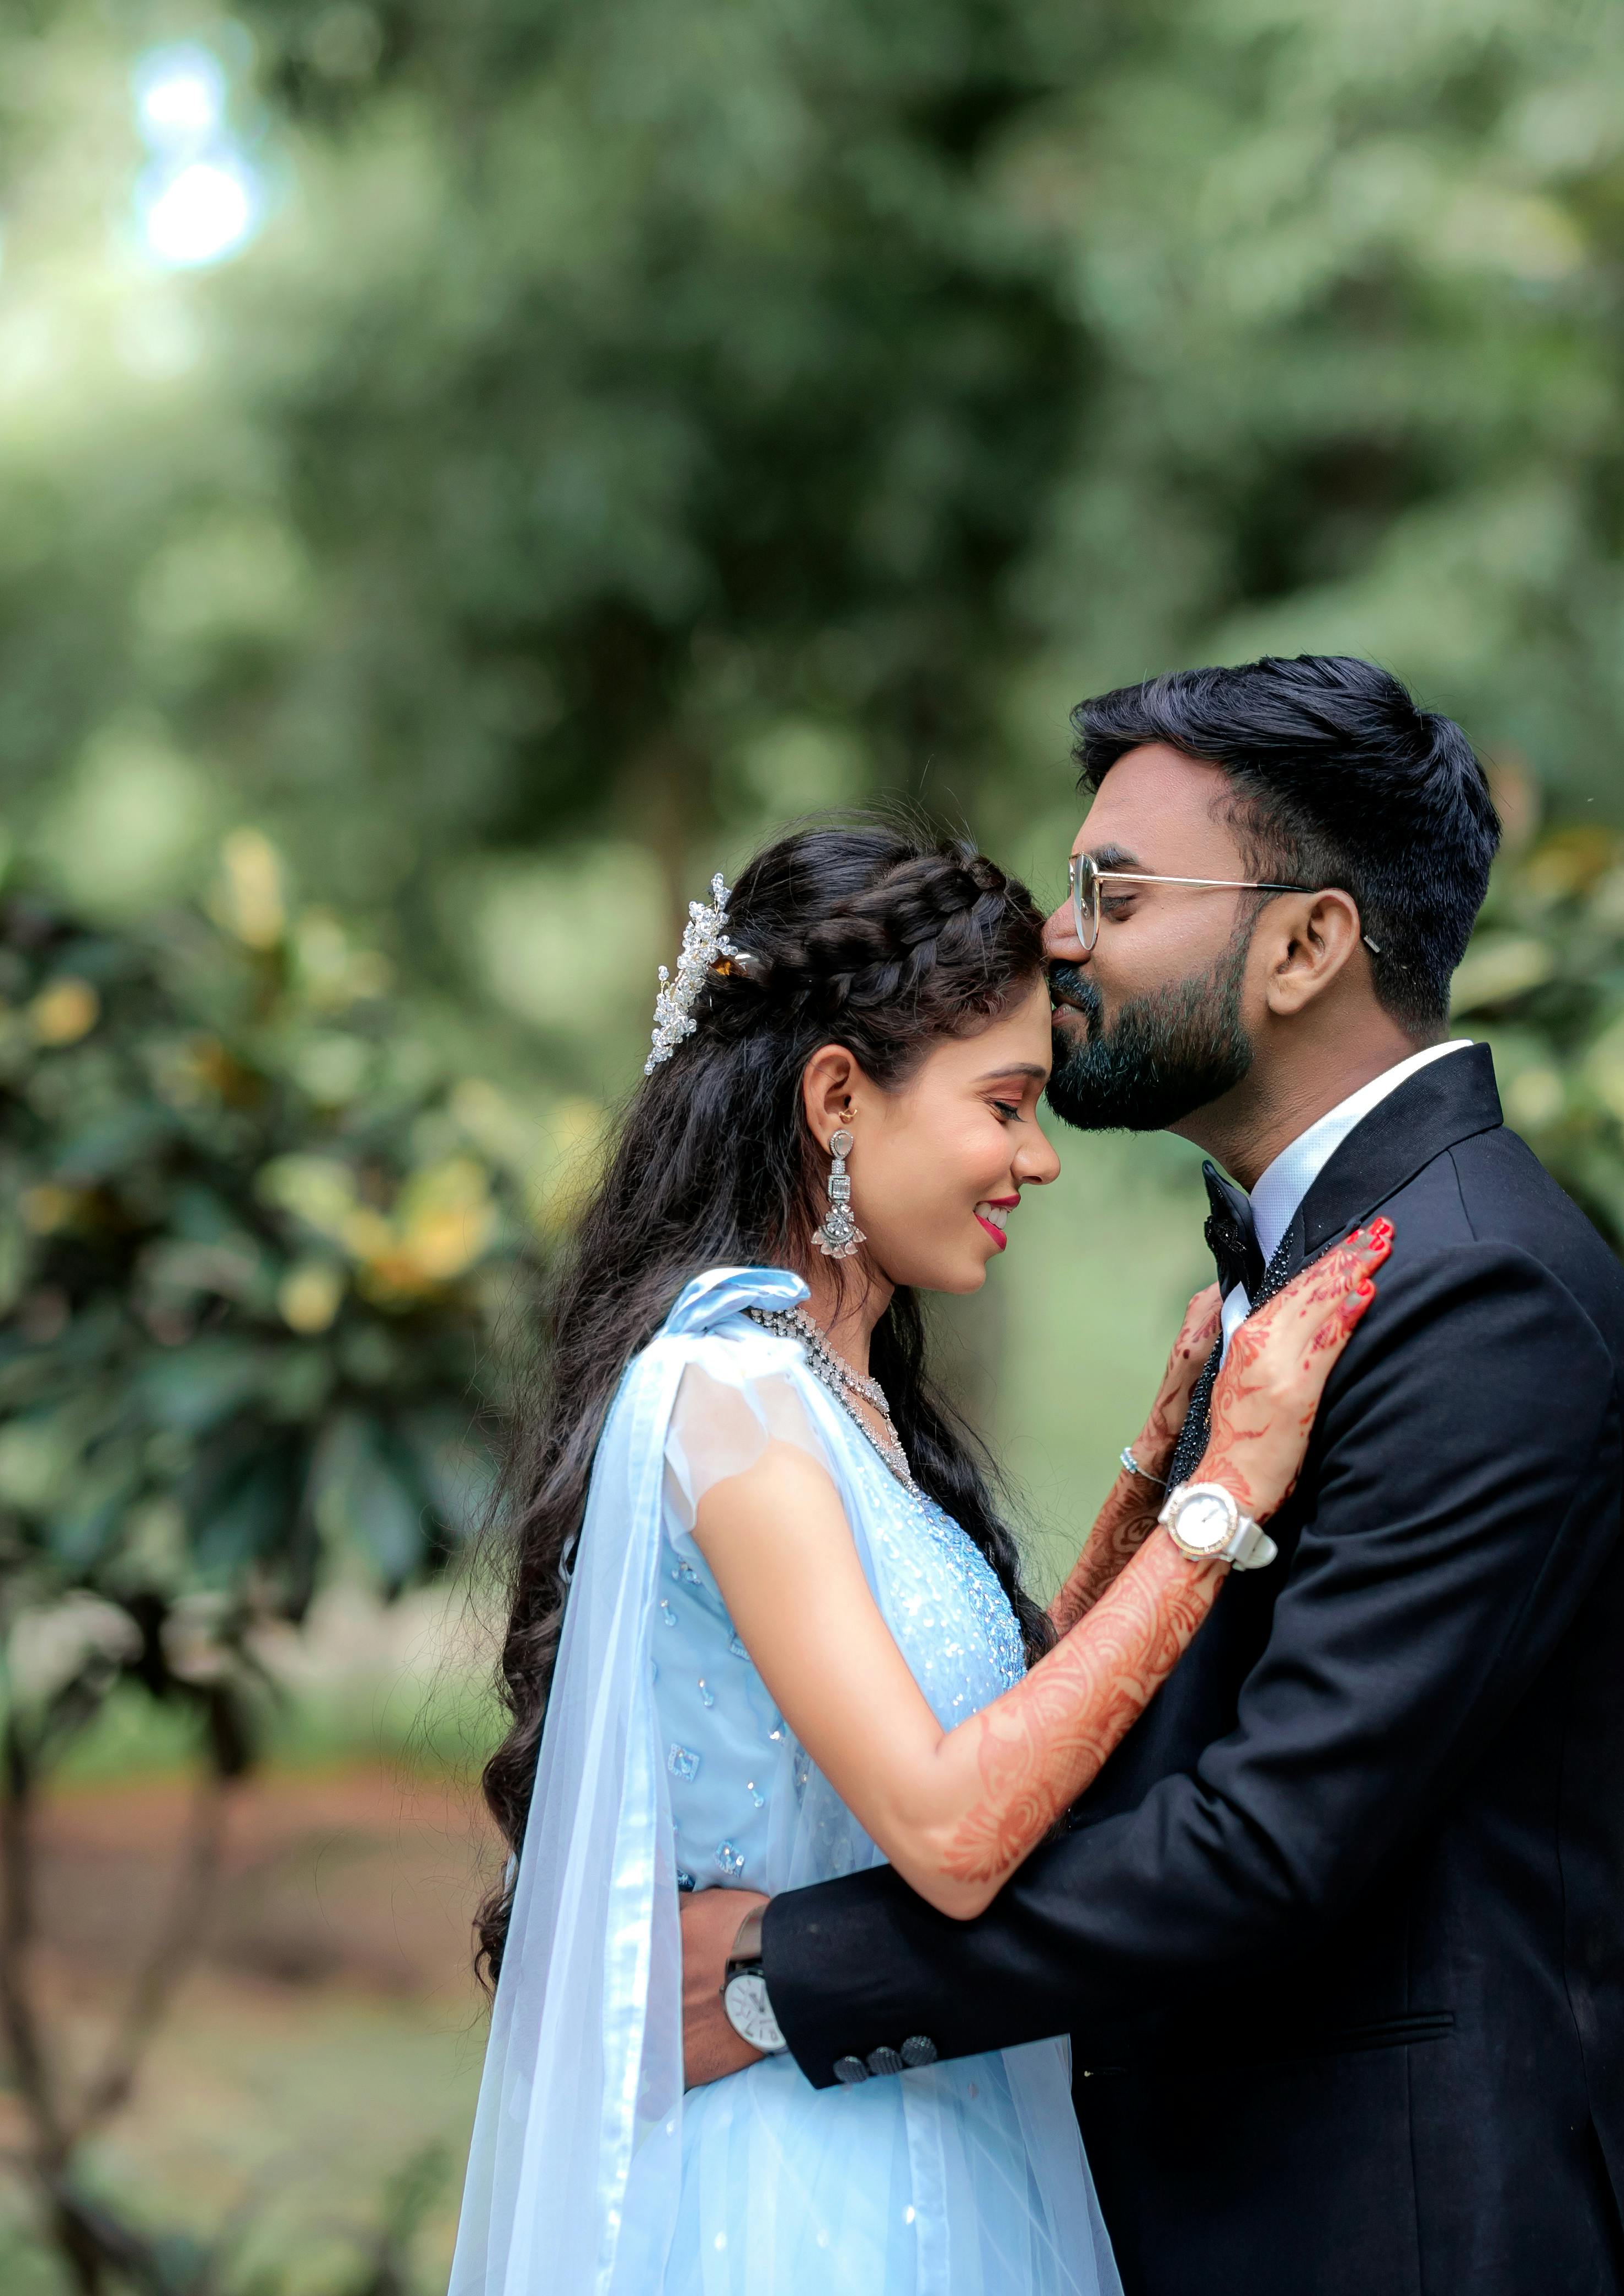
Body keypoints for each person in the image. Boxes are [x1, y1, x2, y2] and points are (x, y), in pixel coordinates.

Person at [677, 657, 1624, 2294]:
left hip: (1394, 2238)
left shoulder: (1484, 1297)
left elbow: (1268, 1840)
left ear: (1305, 946)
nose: (1059, 937)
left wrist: (778, 1976)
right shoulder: (1325, 1266)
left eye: (1116, 893)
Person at [448, 823, 1392, 2294]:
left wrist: (1148, 1491)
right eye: (1005, 1105)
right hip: (805, 2192)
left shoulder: (840, 1398)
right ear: (839, 1097)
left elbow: (979, 1723)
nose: (1039, 1158)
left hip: (927, 2129)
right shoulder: (728, 1394)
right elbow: (953, 1833)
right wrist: (1224, 1500)